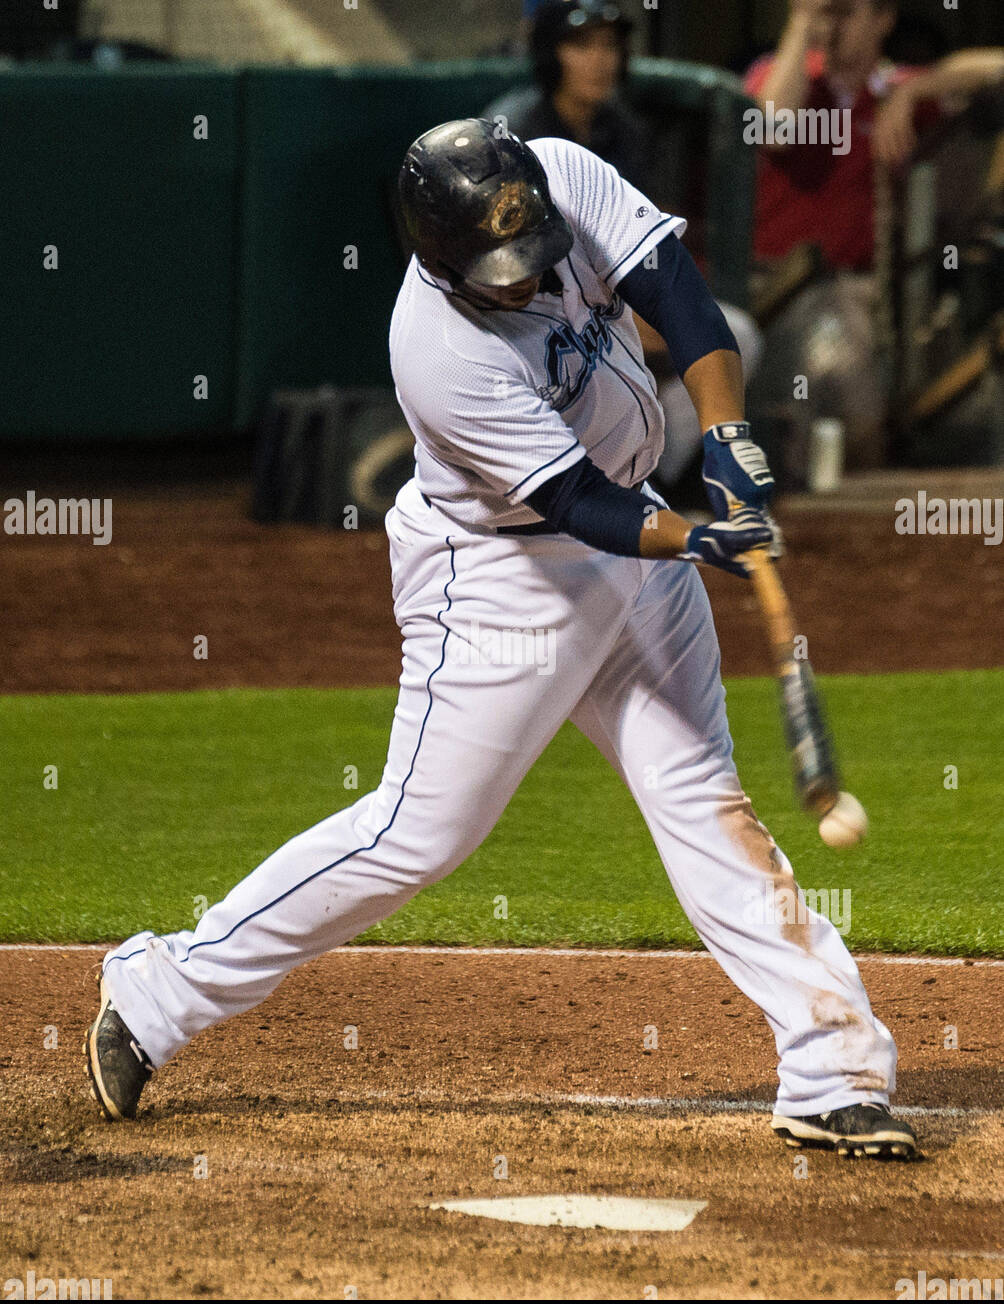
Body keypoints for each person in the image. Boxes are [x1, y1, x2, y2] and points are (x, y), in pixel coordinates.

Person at [86, 120, 917, 1162]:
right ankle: (156, 991)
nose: (525, 283)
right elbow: (574, 503)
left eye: (532, 259)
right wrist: (695, 533)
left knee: (703, 797)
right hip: (502, 585)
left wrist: (727, 438)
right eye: (497, 275)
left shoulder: (558, 174)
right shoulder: (437, 352)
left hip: (635, 551)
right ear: (438, 260)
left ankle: (832, 1067)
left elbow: (677, 296)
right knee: (413, 836)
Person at [484, 0, 763, 488]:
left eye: (609, 46)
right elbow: (505, 272)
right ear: (552, 55)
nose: (600, 60)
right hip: (524, 315)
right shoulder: (512, 130)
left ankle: (644, 472)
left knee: (733, 331)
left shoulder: (626, 132)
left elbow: (640, 250)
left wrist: (645, 317)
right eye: (582, 45)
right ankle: (563, 478)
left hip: (604, 307)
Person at [746, 0, 1004, 271]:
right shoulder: (780, 74)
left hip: (849, 284)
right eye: (823, 13)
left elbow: (996, 67)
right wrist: (802, 19)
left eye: (844, 12)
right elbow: (772, 133)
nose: (830, 25)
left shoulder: (892, 89)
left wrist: (912, 91)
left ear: (883, 19)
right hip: (767, 278)